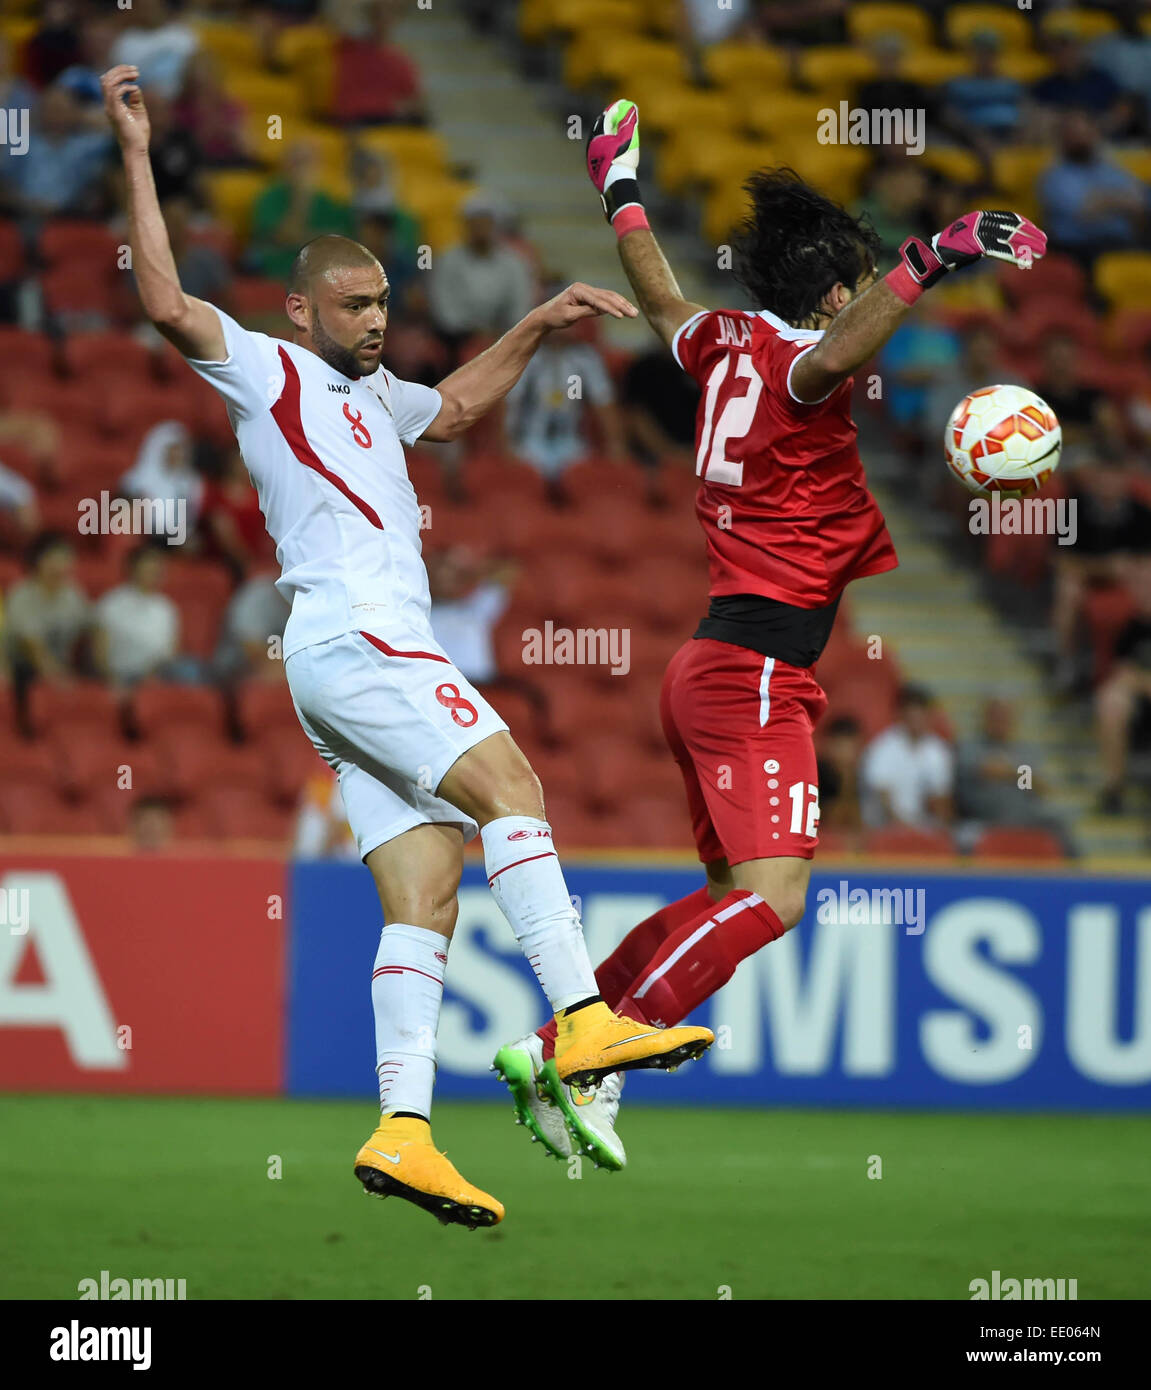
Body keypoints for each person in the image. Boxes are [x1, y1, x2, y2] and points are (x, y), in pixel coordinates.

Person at [102, 64, 711, 1230]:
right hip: (357, 633)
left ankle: (404, 1127)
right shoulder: (266, 370)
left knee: (426, 896)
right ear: (299, 311)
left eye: (383, 302)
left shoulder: (379, 401)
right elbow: (168, 303)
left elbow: (462, 408)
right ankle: (582, 1017)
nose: (376, 320)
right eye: (353, 306)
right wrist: (138, 150)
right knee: (516, 788)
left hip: (340, 671)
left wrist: (534, 322)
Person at [493, 97, 1044, 1170]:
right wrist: (939, 252)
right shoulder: (798, 372)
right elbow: (839, 352)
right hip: (749, 670)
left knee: (727, 899)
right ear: (832, 293)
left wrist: (618, 184)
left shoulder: (717, 346)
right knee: (775, 896)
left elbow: (656, 292)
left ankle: (567, 1040)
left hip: (716, 667)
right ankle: (583, 1054)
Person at [4, 532, 93, 692]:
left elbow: (90, 628)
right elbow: (32, 648)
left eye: (67, 559)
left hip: (63, 665)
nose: (62, 566)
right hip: (26, 672)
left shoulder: (72, 594)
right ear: (38, 562)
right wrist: (61, 680)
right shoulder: (21, 596)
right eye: (56, 559)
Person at [860, 685, 954, 829]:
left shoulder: (938, 751)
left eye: (921, 713)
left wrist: (940, 824)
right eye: (912, 714)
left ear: (929, 715)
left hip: (924, 826)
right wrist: (903, 828)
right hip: (884, 826)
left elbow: (941, 799)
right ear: (901, 714)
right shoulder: (882, 748)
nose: (916, 719)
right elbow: (882, 798)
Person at [92, 544, 180, 688]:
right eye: (149, 567)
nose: (154, 572)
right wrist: (112, 680)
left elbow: (172, 652)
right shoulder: (111, 603)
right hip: (121, 676)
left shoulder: (167, 608)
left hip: (158, 677)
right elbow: (99, 654)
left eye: (157, 568)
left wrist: (153, 677)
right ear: (132, 569)